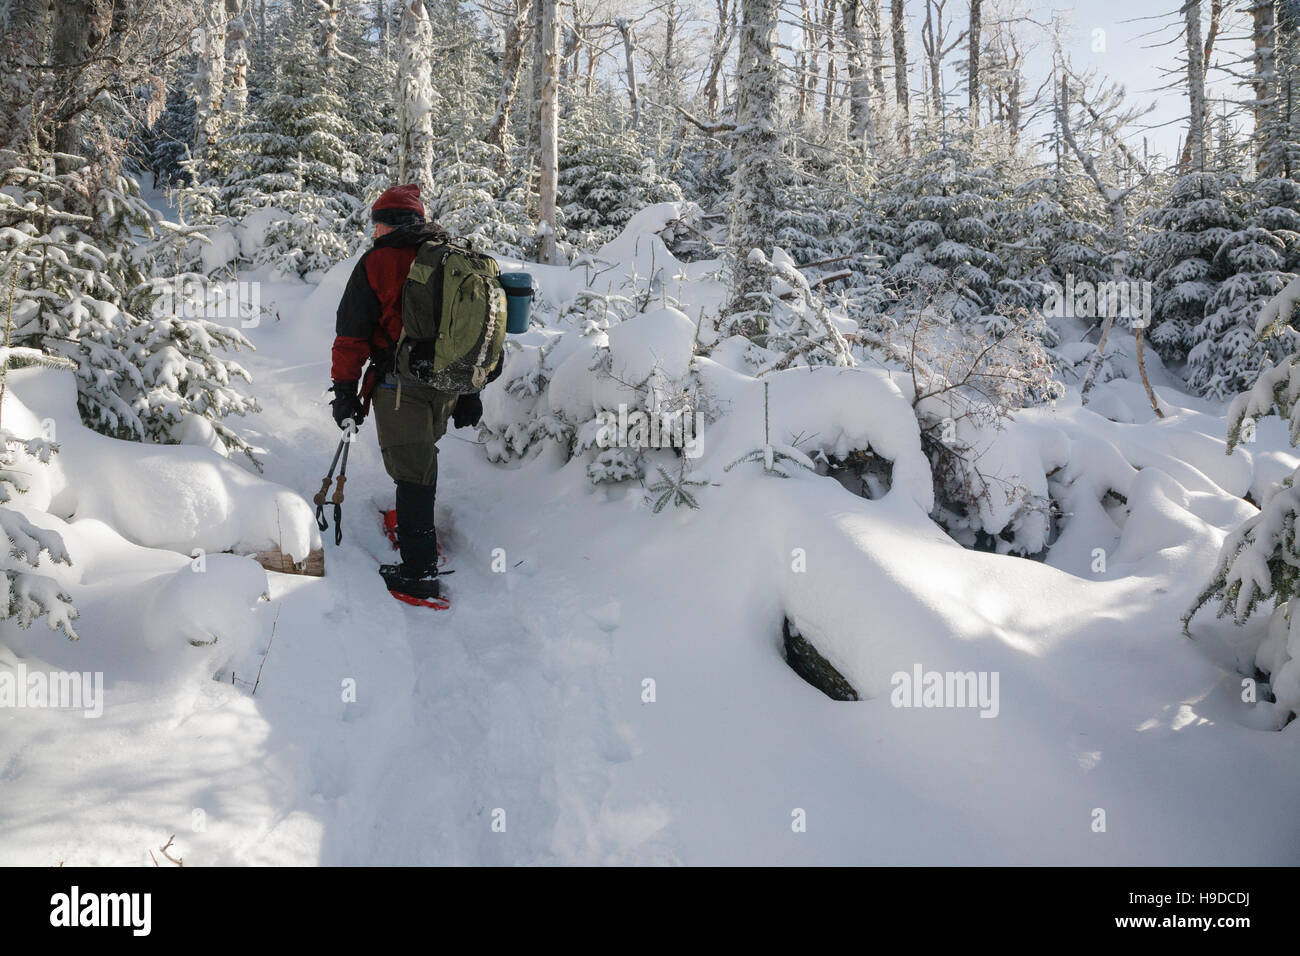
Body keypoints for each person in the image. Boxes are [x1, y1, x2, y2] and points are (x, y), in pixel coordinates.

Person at [329, 183, 492, 604]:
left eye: (376, 224)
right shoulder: (452, 257)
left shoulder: (377, 263)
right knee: (421, 456)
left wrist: (345, 390)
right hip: (447, 384)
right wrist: (470, 390)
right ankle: (412, 523)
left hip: (400, 386)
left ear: (385, 225)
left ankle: (419, 575)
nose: (374, 232)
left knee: (412, 471)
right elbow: (476, 329)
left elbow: (351, 336)